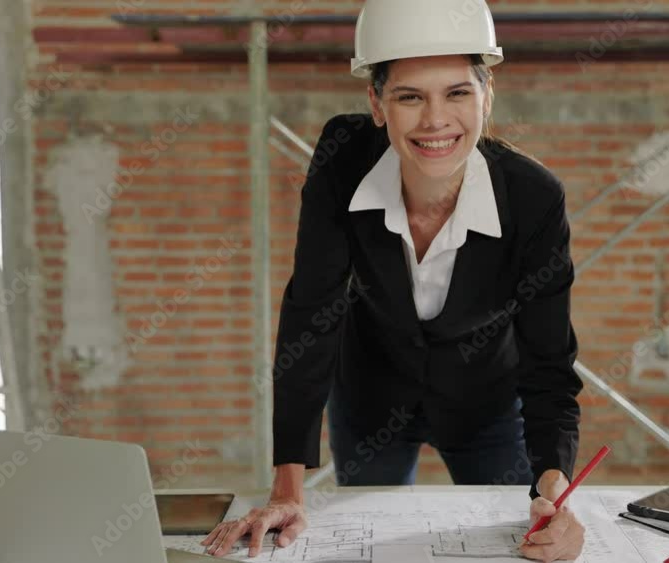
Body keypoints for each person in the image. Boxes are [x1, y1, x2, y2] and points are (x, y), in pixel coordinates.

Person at [203, 0, 586, 561]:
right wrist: (287, 487)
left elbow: (550, 361)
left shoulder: (534, 198)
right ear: (377, 105)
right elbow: (313, 310)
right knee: (364, 544)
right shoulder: (342, 160)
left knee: (520, 536)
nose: (435, 120)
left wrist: (555, 485)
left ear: (488, 97)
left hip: (487, 401)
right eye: (410, 96)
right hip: (371, 395)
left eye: (457, 93)